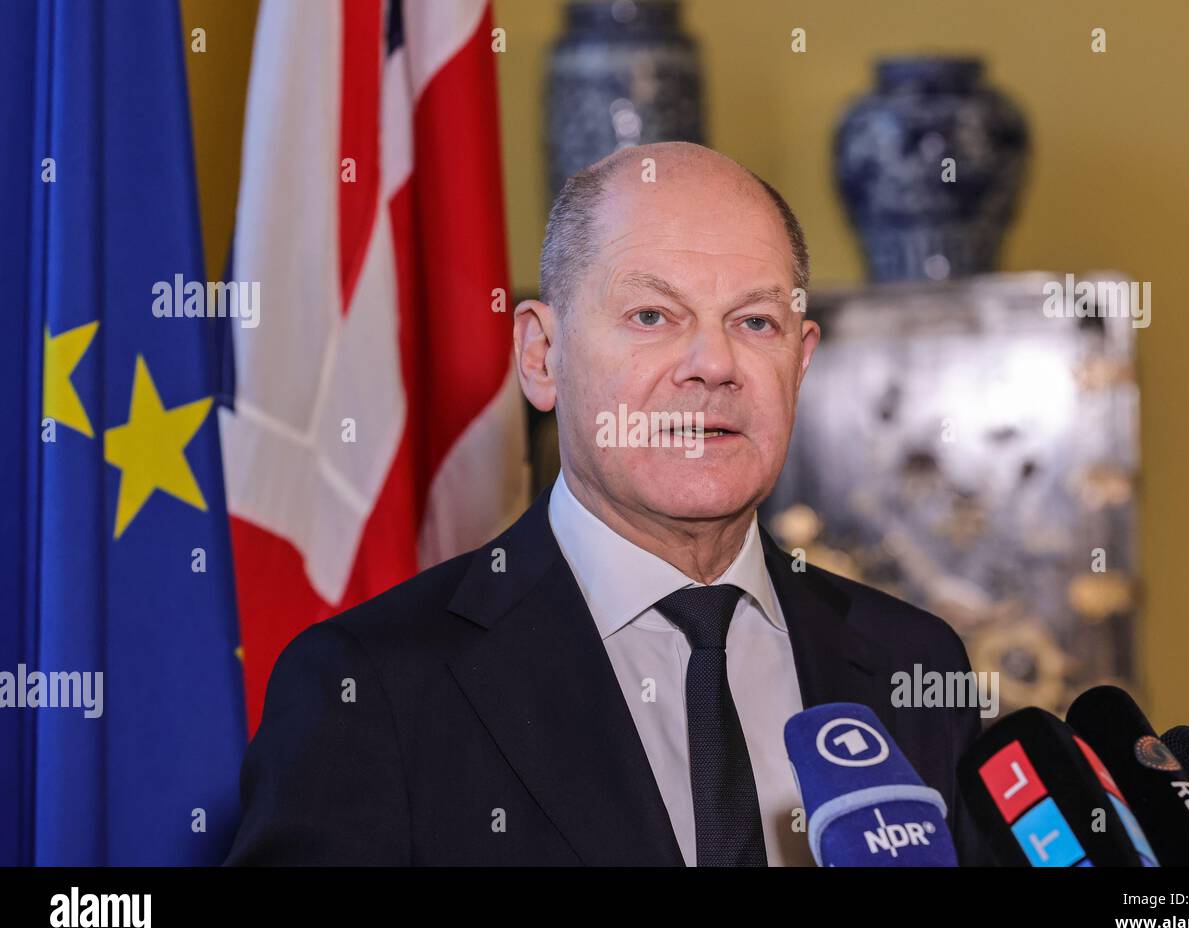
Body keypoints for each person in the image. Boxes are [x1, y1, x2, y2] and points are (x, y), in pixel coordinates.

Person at [225, 142, 992, 866]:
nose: (715, 364)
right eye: (652, 316)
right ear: (541, 356)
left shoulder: (911, 661)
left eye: (755, 321)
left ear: (801, 358)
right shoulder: (373, 687)